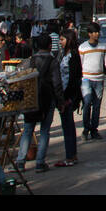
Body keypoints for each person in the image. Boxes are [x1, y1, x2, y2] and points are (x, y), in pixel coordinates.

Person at [16, 36, 61, 173]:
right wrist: (60, 101)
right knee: (44, 130)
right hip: (47, 99)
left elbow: (21, 78)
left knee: (28, 130)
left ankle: (20, 162)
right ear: (49, 46)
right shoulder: (53, 61)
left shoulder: (30, 61)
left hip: (31, 99)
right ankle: (40, 163)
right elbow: (57, 83)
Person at [78, 24, 106, 139]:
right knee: (87, 102)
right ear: (89, 34)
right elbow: (80, 64)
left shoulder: (103, 47)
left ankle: (94, 130)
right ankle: (86, 128)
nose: (96, 34)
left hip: (99, 79)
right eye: (94, 32)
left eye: (98, 32)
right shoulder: (83, 47)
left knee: (97, 106)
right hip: (86, 79)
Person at [54, 30, 81, 167]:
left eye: (62, 39)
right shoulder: (63, 55)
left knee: (68, 127)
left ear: (69, 40)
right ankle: (72, 155)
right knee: (67, 126)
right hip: (63, 95)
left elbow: (74, 79)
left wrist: (67, 98)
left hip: (68, 97)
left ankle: (70, 157)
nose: (60, 42)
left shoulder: (73, 56)